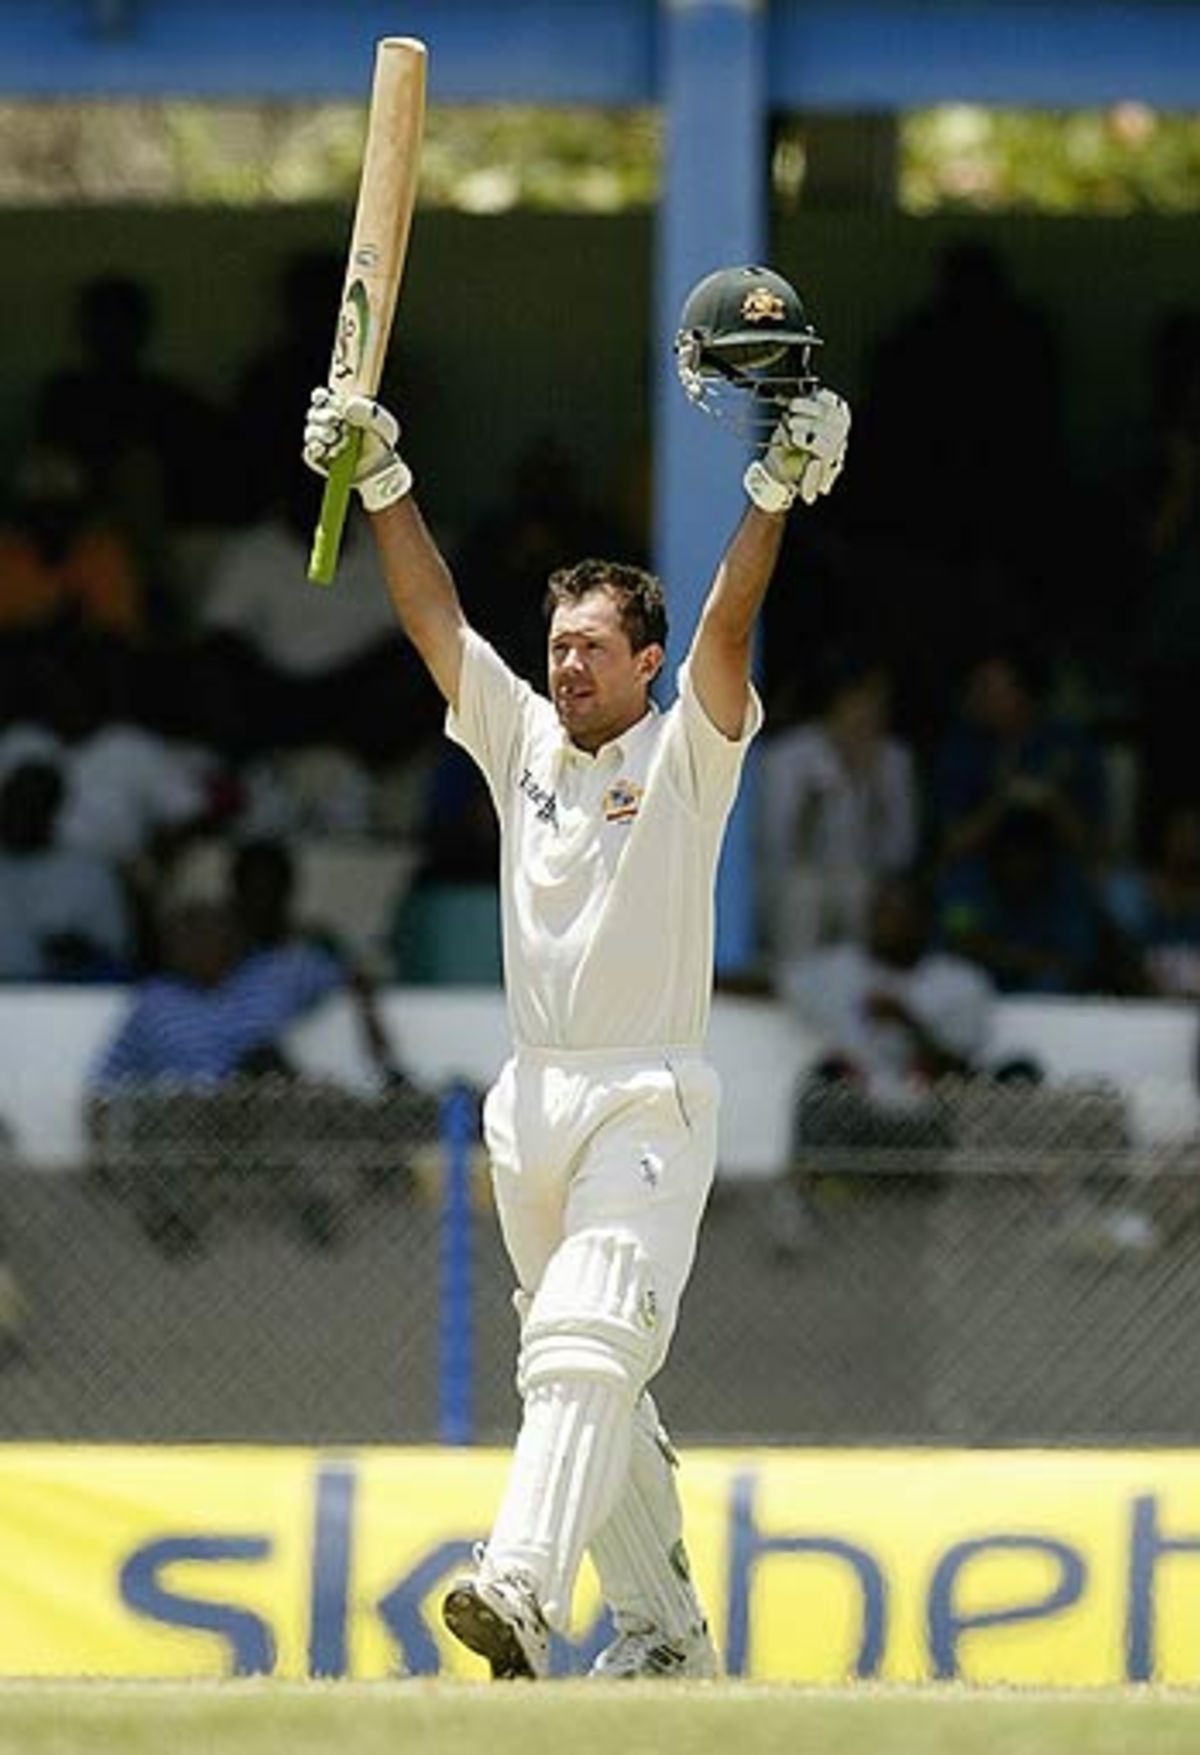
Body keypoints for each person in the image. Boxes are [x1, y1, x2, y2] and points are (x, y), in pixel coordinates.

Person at [301, 339, 851, 1678]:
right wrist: (383, 475)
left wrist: (774, 487)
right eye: (556, 649)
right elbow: (436, 617)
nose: (566, 670)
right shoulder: (523, 747)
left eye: (592, 650)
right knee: (588, 1372)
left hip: (646, 1088)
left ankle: (521, 1584)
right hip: (531, 1093)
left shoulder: (688, 753)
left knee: (587, 1332)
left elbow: (729, 621)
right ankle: (667, 1640)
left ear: (647, 663)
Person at [757, 649, 918, 967]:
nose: (870, 711)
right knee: (804, 894)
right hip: (791, 882)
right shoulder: (787, 757)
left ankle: (863, 988)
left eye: (878, 701)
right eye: (860, 699)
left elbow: (899, 854)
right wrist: (812, 808)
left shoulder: (893, 760)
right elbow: (776, 848)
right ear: (835, 701)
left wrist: (872, 791)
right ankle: (794, 983)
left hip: (860, 878)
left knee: (861, 891)